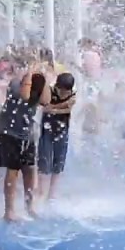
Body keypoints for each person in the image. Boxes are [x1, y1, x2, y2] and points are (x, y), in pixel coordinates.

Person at [0, 59, 48, 221]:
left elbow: (45, 101)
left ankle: (29, 206)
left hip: (26, 132)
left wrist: (43, 79)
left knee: (29, 168)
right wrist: (30, 74)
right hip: (8, 132)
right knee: (13, 169)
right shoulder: (16, 84)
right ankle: (9, 211)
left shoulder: (38, 85)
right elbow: (25, 96)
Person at [37, 72, 76, 204]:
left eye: (66, 91)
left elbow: (68, 107)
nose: (64, 94)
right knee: (44, 158)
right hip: (47, 130)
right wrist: (60, 108)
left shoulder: (72, 93)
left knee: (59, 161)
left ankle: (52, 194)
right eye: (62, 91)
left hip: (62, 130)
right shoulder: (49, 90)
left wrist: (54, 109)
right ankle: (41, 192)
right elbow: (44, 107)